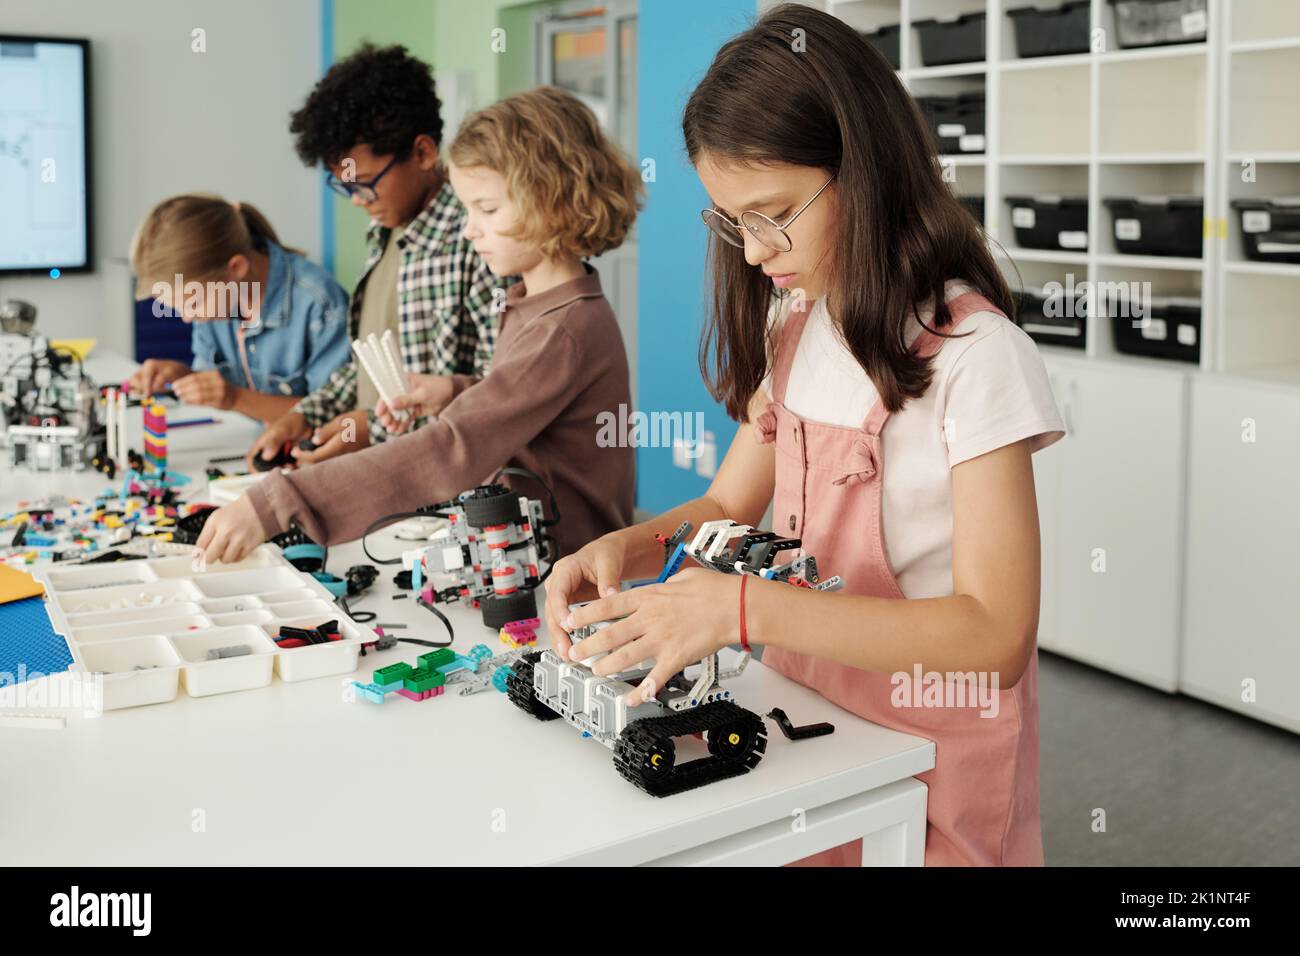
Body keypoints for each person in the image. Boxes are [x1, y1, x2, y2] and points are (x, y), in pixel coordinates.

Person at [542, 5, 1065, 867]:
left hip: (934, 747)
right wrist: (624, 548)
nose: (753, 252)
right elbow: (723, 503)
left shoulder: (978, 358)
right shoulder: (797, 324)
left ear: (864, 171)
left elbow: (995, 636)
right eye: (733, 222)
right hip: (811, 722)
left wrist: (742, 607)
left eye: (773, 212)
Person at [197, 86, 641, 565]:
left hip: (570, 577)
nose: (470, 229)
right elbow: (532, 405)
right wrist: (454, 390)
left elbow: (453, 448)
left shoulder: (562, 329)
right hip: (530, 560)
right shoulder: (540, 305)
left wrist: (276, 503)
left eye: (487, 210)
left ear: (552, 201)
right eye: (468, 210)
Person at [248, 43, 507, 468]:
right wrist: (303, 415)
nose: (356, 201)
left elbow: (502, 392)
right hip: (384, 482)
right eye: (345, 187)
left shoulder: (477, 242)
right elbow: (368, 364)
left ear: (423, 153)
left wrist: (371, 428)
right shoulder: (384, 230)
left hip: (448, 495)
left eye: (365, 183)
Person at [128, 195, 349, 422]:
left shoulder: (320, 305)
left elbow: (334, 416)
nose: (187, 318)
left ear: (236, 267)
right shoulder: (215, 300)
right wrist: (182, 378)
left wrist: (235, 399)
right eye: (178, 308)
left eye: (193, 304)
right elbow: (216, 382)